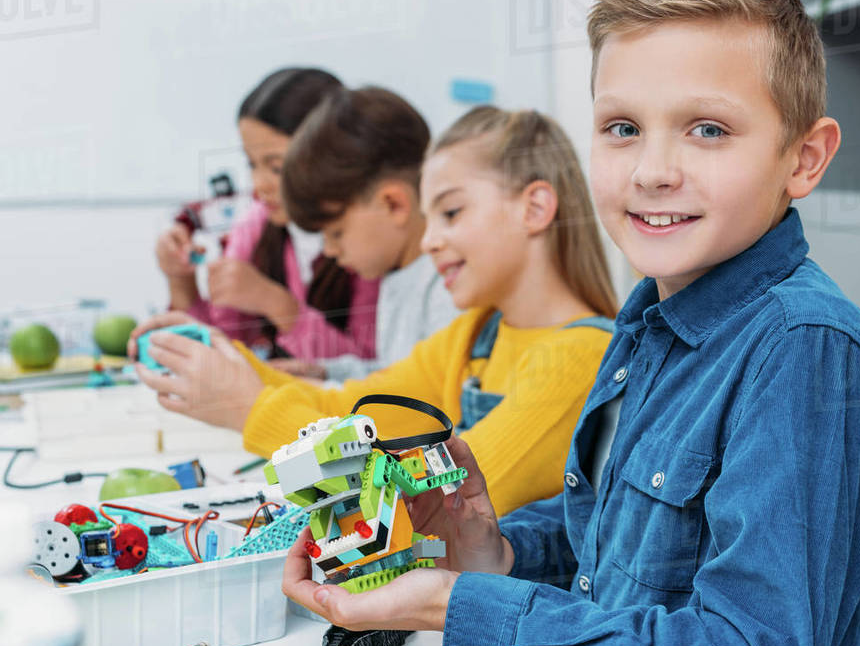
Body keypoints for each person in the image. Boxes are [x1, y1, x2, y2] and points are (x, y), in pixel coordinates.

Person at [281, 0, 860, 646]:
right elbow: (616, 561)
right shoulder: (647, 320)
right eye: (622, 127)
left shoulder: (799, 348)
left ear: (804, 157)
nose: (652, 170)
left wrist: (458, 604)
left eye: (707, 129)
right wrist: (495, 553)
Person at [131, 105, 619, 517]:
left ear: (534, 209)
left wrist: (248, 411)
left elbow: (437, 505)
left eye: (450, 213)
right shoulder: (476, 332)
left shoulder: (580, 357)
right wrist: (227, 360)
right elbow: (350, 410)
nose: (429, 240)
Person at [153, 67, 378, 362]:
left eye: (276, 168)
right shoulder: (256, 224)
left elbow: (376, 374)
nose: (258, 186)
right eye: (251, 165)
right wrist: (181, 282)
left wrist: (280, 307)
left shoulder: (370, 238)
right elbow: (219, 355)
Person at [269, 85, 459, 381]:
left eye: (336, 233)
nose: (330, 251)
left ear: (393, 204)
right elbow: (395, 374)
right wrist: (324, 373)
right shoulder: (399, 272)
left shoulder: (448, 288)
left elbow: (422, 403)